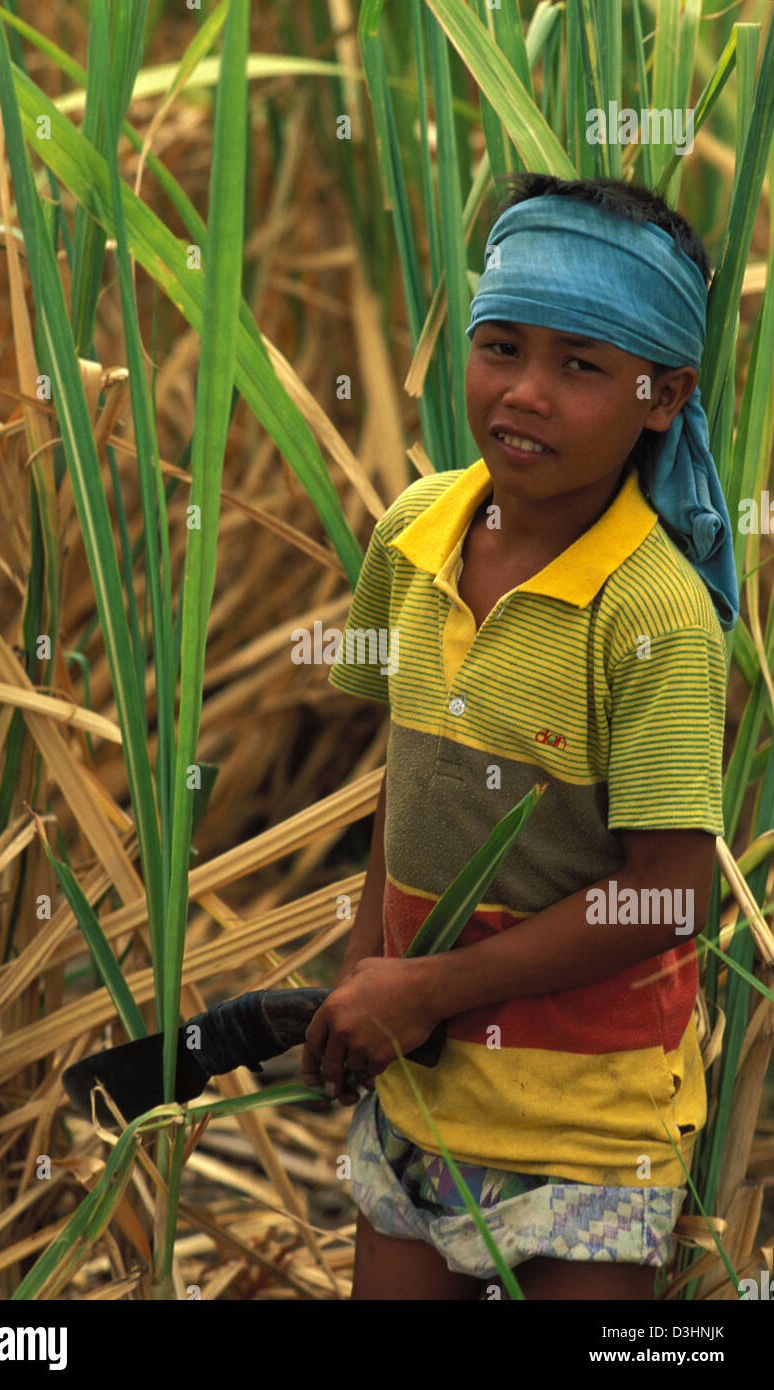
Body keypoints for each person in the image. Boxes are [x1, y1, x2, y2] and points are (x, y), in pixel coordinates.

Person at [300, 173, 738, 1301]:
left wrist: (427, 988)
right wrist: (368, 981)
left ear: (662, 392)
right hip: (420, 1091)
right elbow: (408, 777)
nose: (525, 392)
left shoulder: (656, 616)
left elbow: (667, 896)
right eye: (502, 346)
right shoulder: (413, 532)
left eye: (581, 365)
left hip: (590, 1124)